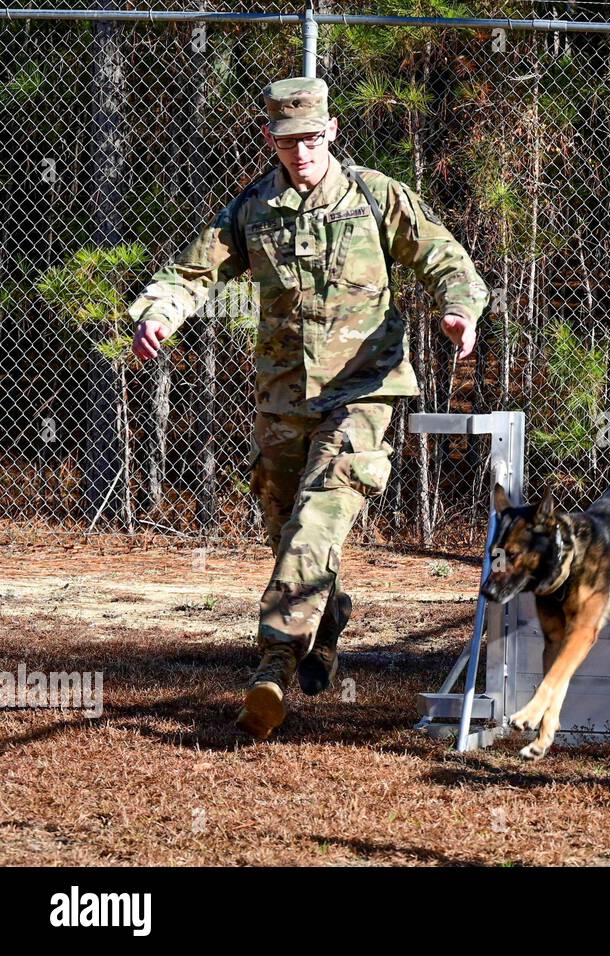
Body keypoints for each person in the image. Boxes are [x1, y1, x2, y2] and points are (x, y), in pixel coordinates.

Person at [128, 76, 489, 740]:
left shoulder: (374, 197)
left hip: (365, 392)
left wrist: (460, 310)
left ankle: (271, 667)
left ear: (332, 132)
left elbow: (445, 258)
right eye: (289, 142)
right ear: (271, 140)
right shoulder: (252, 209)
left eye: (312, 139)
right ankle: (325, 617)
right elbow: (192, 273)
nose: (301, 153)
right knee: (285, 528)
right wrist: (158, 315)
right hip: (283, 402)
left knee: (319, 516)